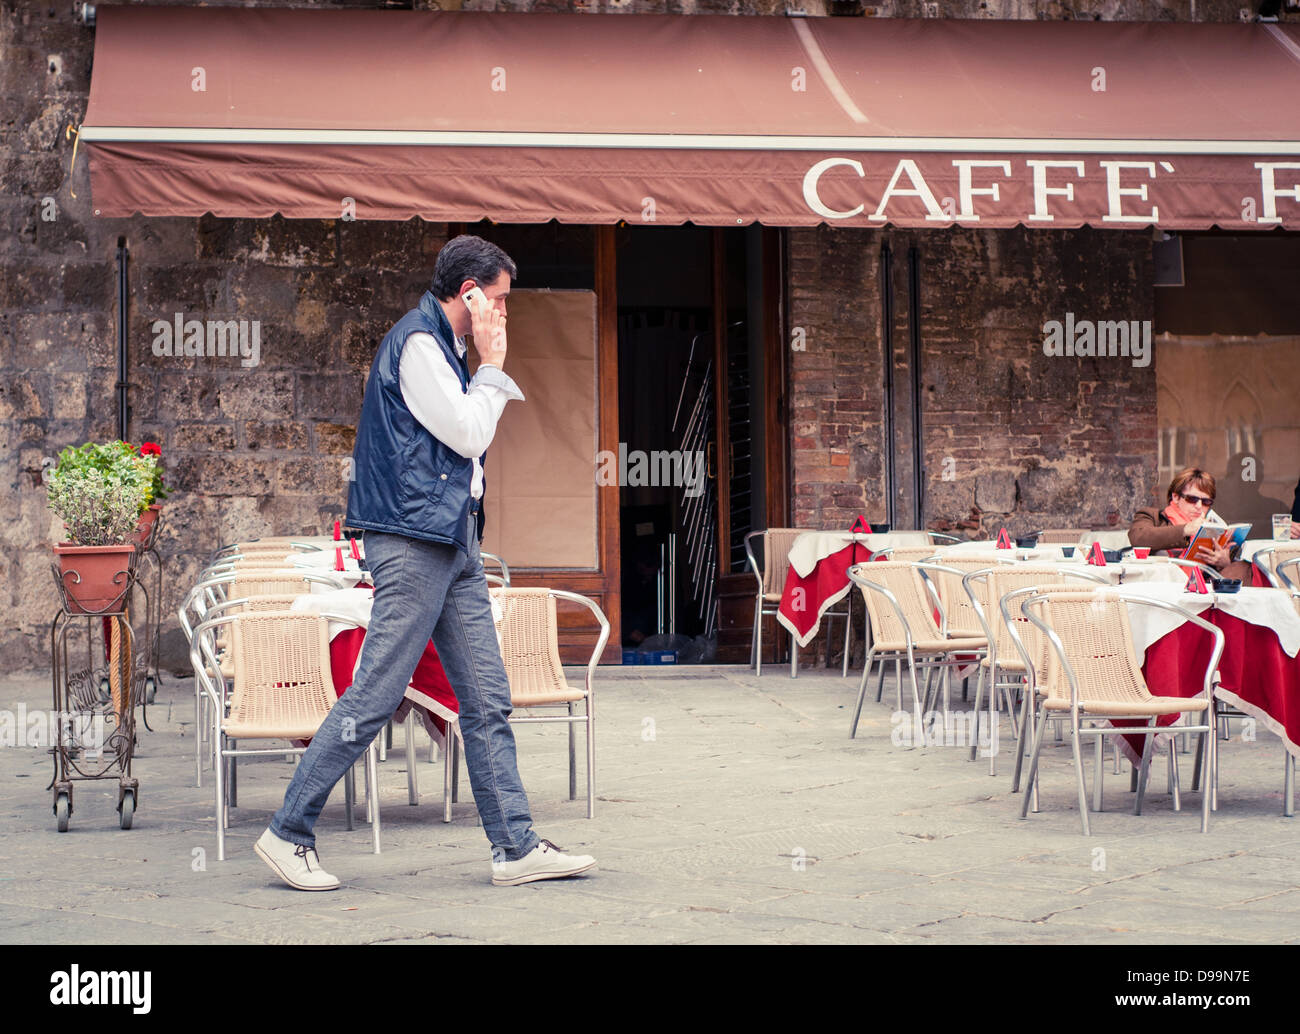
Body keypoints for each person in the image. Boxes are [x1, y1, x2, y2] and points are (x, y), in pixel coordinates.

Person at [254, 235, 596, 890]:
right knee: (378, 691)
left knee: (487, 698)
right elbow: (468, 433)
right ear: (467, 293)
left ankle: (515, 847)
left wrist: (483, 365)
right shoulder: (417, 345)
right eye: (498, 300)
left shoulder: (443, 349)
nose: (503, 313)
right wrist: (494, 366)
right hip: (414, 541)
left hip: (454, 541)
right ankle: (287, 830)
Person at [1128, 467, 1252, 580]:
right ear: (1176, 497)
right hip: (1165, 588)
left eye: (1206, 502)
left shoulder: (1212, 529)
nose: (1199, 506)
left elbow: (1219, 577)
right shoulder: (1152, 516)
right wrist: (1186, 529)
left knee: (1245, 568)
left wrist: (1224, 564)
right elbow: (1138, 537)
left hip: (1206, 592)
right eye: (1192, 499)